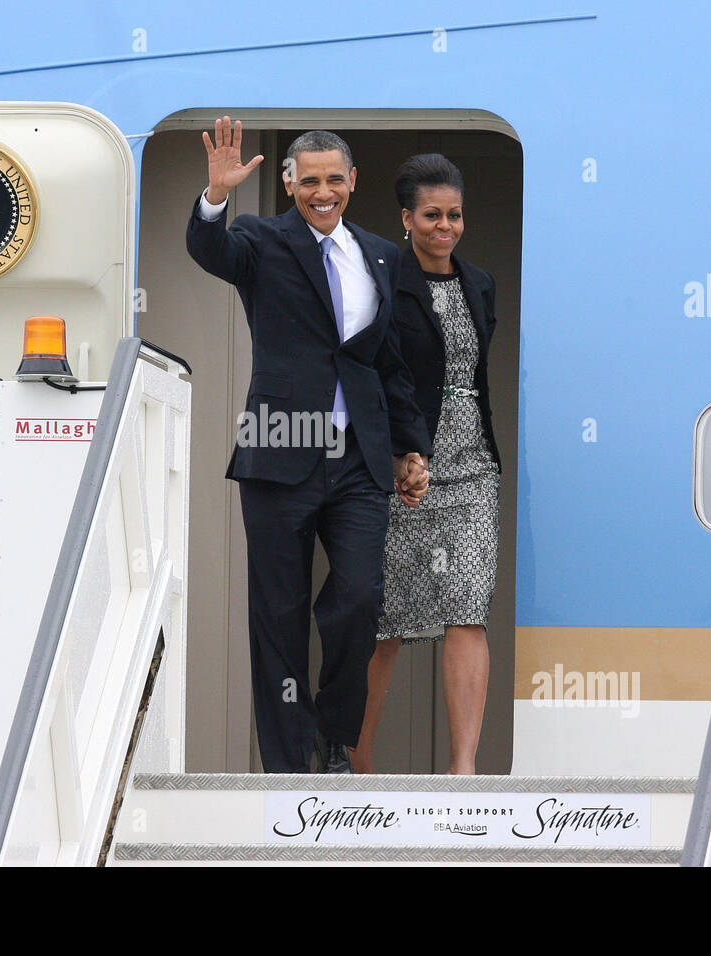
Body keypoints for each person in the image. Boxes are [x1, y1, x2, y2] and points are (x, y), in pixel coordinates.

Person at [185, 117, 431, 773]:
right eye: (308, 180)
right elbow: (210, 252)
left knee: (356, 600)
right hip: (279, 449)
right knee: (280, 617)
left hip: (357, 459)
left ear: (352, 181)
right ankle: (289, 764)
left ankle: (334, 733)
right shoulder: (259, 241)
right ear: (290, 183)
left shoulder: (382, 254)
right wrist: (215, 199)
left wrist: (412, 448)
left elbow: (392, 363)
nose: (322, 191)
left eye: (333, 179)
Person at [350, 154, 500, 775]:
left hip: (473, 469)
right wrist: (399, 452)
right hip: (404, 468)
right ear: (406, 219)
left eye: (455, 215)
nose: (446, 226)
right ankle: (354, 765)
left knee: (468, 608)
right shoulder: (381, 282)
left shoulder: (480, 282)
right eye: (432, 215)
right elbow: (375, 369)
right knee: (385, 621)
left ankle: (463, 770)